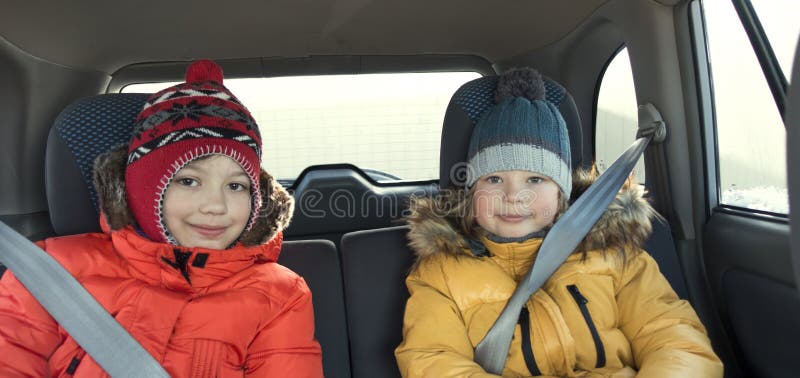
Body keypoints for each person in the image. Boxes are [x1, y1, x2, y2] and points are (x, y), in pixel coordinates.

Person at [0, 60, 323, 377]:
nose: (216, 205)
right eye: (188, 181)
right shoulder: (46, 274)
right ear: (143, 189)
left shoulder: (278, 295)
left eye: (236, 185)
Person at [394, 68, 723, 377]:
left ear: (561, 193)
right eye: (493, 179)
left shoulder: (616, 255)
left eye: (535, 180)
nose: (513, 195)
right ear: (472, 192)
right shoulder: (441, 274)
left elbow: (674, 336)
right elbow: (433, 359)